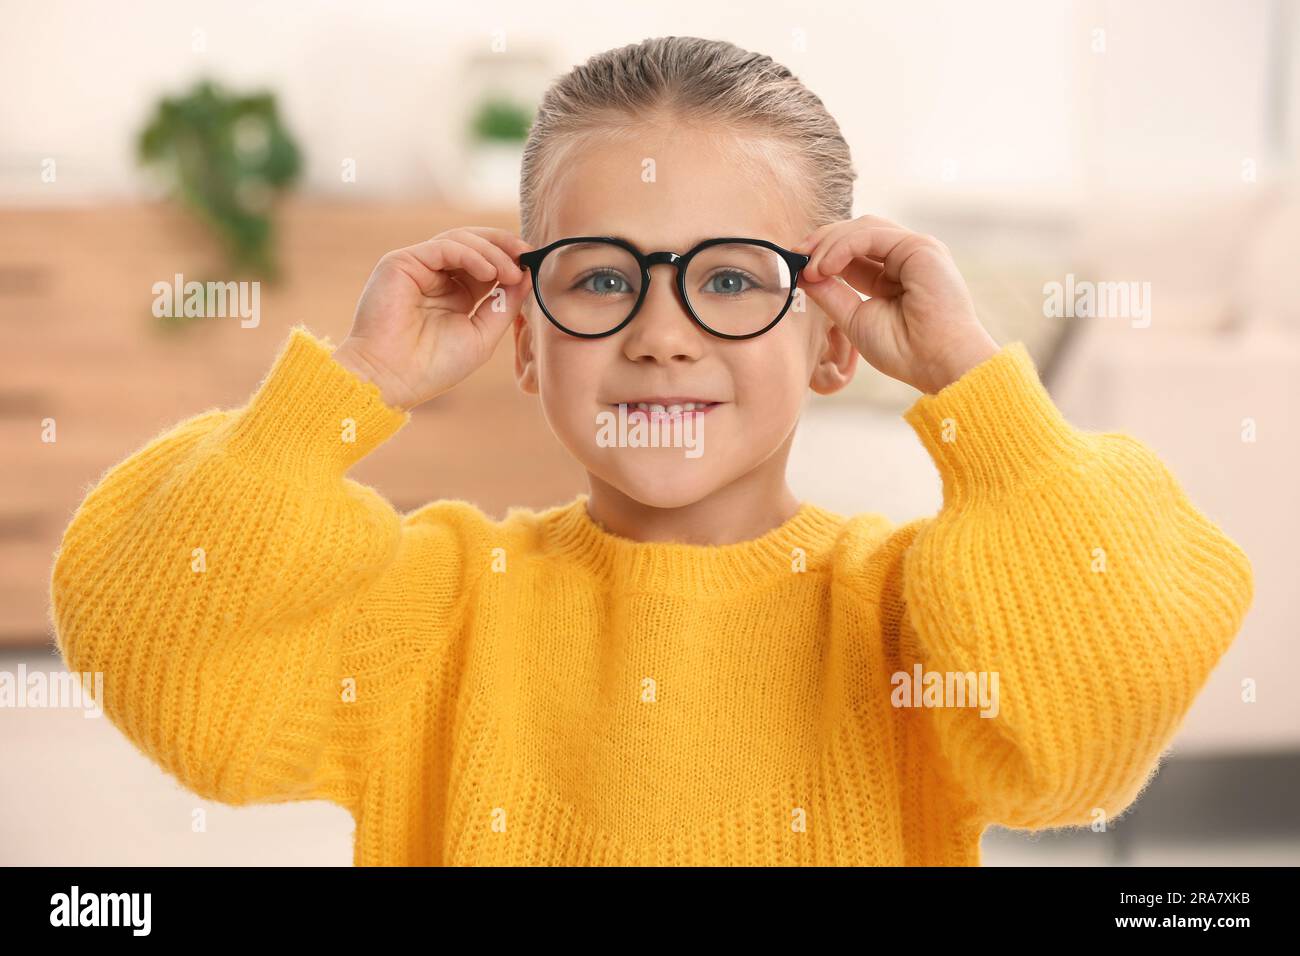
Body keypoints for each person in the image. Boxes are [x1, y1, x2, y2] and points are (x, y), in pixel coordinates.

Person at [49, 36, 1253, 866]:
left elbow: (1102, 717)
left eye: (731, 278)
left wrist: (974, 384)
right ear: (525, 344)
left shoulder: (905, 619)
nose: (662, 335)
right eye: (604, 280)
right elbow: (153, 640)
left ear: (833, 344)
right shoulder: (438, 605)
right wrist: (341, 395)